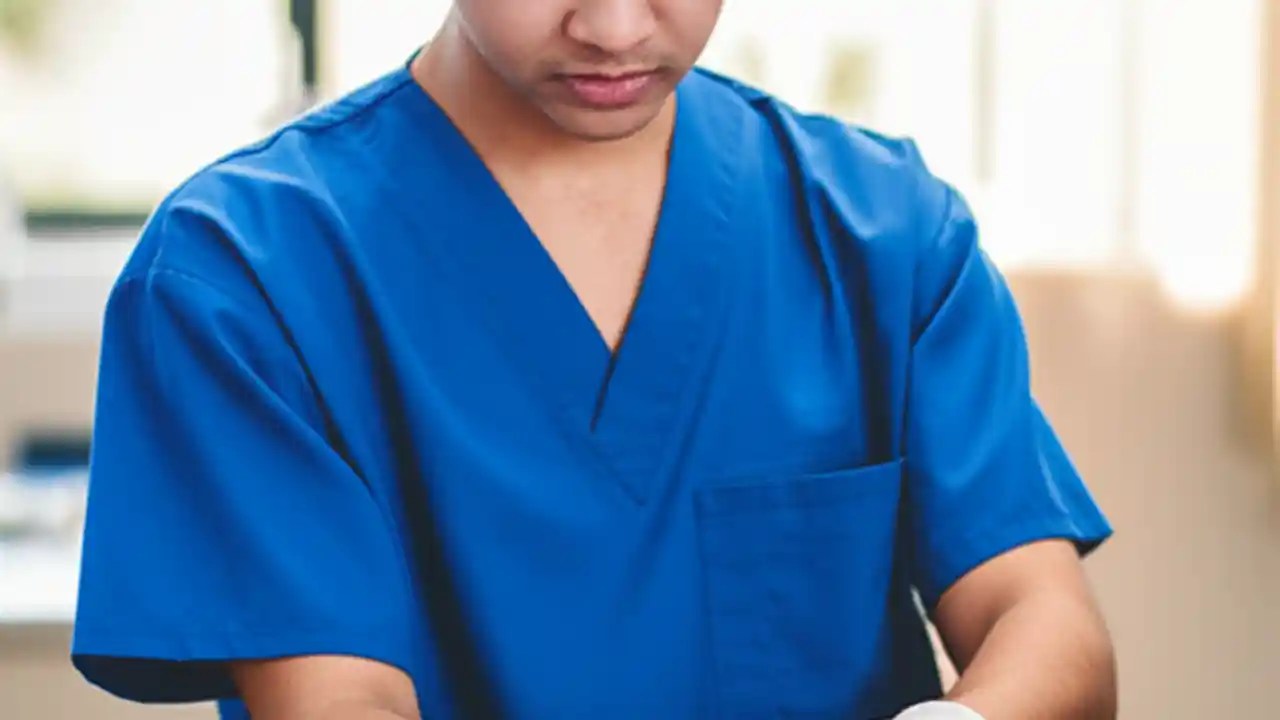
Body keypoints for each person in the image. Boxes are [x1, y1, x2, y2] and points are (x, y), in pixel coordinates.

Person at [72, 2, 1117, 719]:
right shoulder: (244, 275)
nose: (615, 26)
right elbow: (340, 701)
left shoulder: (884, 235)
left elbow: (1041, 619)